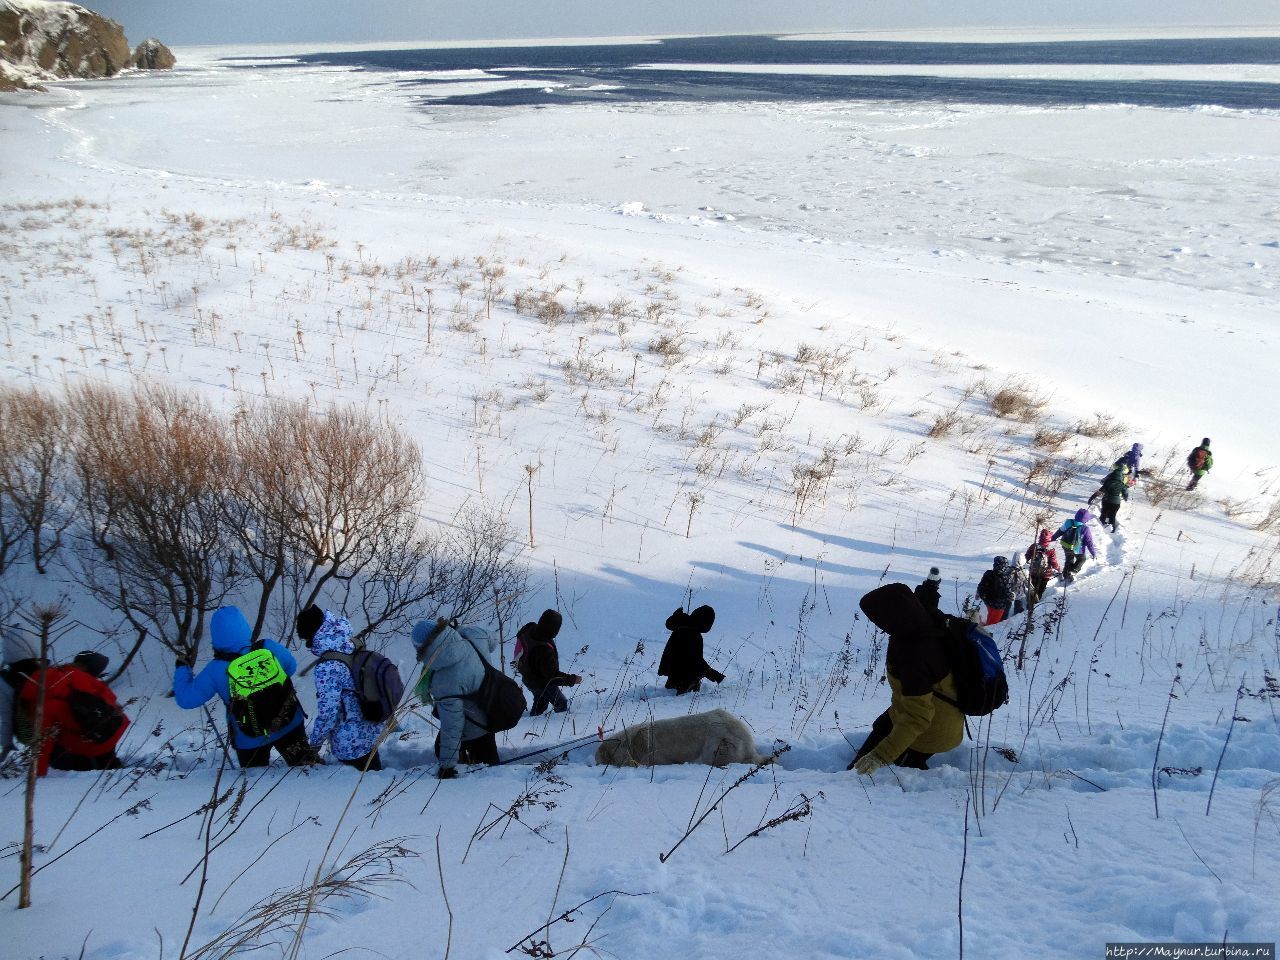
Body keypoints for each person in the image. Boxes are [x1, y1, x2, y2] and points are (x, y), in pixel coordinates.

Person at [174, 606, 314, 768]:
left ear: (216, 636)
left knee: (255, 782)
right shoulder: (267, 647)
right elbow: (290, 667)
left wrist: (182, 668)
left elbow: (186, 700)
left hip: (250, 738)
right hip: (289, 723)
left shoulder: (216, 669)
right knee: (305, 768)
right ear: (244, 626)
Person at [847, 583, 964, 774]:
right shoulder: (923, 620)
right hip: (917, 709)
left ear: (893, 617)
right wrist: (928, 590)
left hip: (932, 730)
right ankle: (856, 769)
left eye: (878, 618)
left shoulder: (914, 657)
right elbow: (926, 603)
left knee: (882, 776)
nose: (878, 625)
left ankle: (913, 774)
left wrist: (880, 756)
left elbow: (917, 718)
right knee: (880, 729)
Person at [297, 605, 385, 772]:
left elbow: (328, 713)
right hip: (371, 725)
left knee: (361, 789)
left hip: (351, 740)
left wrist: (313, 747)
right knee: (374, 775)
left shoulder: (327, 666)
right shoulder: (348, 641)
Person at [411, 618, 502, 778]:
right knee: (490, 761)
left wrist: (447, 767)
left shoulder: (443, 680)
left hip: (474, 728)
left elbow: (452, 726)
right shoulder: (472, 634)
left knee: (488, 771)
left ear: (423, 650)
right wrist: (460, 631)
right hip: (492, 711)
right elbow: (493, 639)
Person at [17, 656, 129, 776]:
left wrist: (37, 777)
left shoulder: (40, 706)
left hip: (88, 741)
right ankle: (115, 769)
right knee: (96, 737)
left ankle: (83, 773)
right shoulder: (70, 673)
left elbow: (43, 746)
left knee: (61, 751)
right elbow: (110, 697)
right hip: (115, 725)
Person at [515, 609, 582, 716]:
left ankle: (534, 720)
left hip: (527, 677)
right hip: (542, 683)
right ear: (554, 630)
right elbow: (553, 676)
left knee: (541, 701)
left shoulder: (529, 628)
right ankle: (558, 726)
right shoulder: (544, 651)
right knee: (561, 703)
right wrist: (572, 679)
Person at [658, 605, 726, 695]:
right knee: (680, 700)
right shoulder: (692, 634)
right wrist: (714, 675)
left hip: (675, 672)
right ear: (704, 622)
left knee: (670, 692)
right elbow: (695, 660)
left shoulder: (684, 627)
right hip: (683, 676)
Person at [1052, 508, 1097, 582]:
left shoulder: (1068, 522)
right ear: (1086, 519)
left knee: (1069, 559)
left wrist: (1053, 537)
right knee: (1082, 559)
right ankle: (1073, 571)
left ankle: (1066, 574)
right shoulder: (1085, 529)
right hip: (1077, 547)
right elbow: (1089, 542)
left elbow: (1060, 531)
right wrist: (1093, 553)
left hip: (1065, 544)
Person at [1025, 529, 1061, 605]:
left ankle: (1029, 605)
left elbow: (1026, 557)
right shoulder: (1051, 550)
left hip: (1034, 572)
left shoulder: (1034, 546)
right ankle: (1034, 606)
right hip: (1045, 574)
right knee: (1040, 590)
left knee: (1032, 588)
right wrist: (1058, 569)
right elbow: (1053, 562)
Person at [1089, 465, 1131, 532]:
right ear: (1121, 476)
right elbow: (1125, 494)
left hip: (1106, 501)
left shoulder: (1108, 483)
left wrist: (1092, 497)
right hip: (1116, 503)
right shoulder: (1122, 484)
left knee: (1103, 514)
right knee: (1112, 516)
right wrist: (1125, 498)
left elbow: (1100, 491)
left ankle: (1100, 529)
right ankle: (1112, 529)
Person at [975, 555, 1013, 625]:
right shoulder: (1004, 578)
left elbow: (981, 585)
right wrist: (1012, 596)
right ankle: (986, 631)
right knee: (992, 624)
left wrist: (978, 593)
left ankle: (984, 625)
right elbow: (1008, 592)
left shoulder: (988, 573)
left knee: (990, 615)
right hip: (999, 605)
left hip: (988, 601)